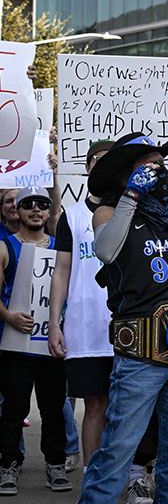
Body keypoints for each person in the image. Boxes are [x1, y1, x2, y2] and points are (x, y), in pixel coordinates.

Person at [77, 132, 168, 504]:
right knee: (118, 449)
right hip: (140, 354)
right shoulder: (108, 212)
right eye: (148, 164)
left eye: (160, 162)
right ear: (126, 173)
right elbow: (105, 251)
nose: (159, 169)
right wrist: (131, 196)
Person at [47, 140, 114, 469]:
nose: (103, 166)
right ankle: (93, 475)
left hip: (128, 327)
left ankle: (133, 477)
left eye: (110, 161)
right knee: (94, 405)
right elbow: (61, 272)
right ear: (87, 168)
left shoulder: (132, 214)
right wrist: (54, 325)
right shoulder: (71, 217)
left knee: (130, 408)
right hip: (85, 329)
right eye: (97, 161)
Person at [0, 186, 70, 495]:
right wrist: (8, 317)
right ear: (19, 210)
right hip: (16, 344)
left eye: (42, 205)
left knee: (54, 408)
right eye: (29, 205)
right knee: (14, 408)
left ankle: (55, 464)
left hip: (50, 343)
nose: (36, 210)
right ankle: (8, 465)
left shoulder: (59, 247)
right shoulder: (5, 247)